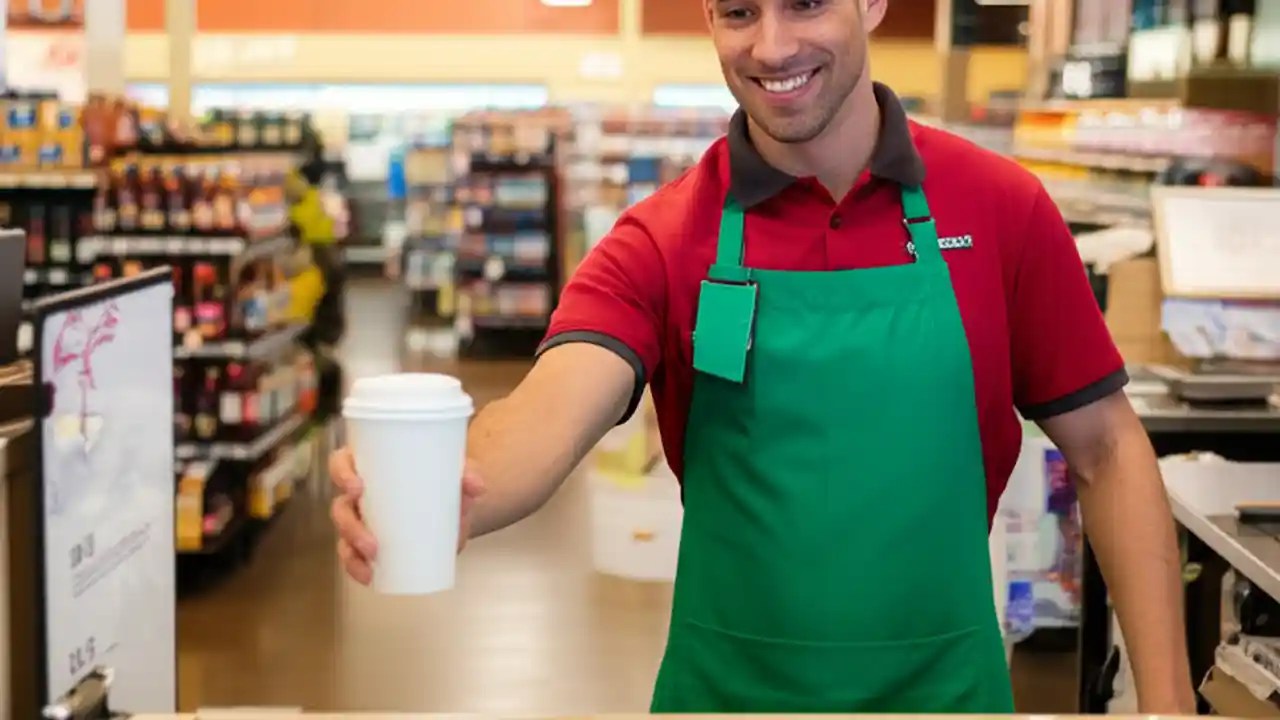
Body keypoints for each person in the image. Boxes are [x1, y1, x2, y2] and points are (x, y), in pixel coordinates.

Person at [331, 0, 1196, 713]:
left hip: (946, 695)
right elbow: (553, 405)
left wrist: (1165, 703)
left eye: (805, 4)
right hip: (727, 697)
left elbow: (1108, 448)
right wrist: (445, 491)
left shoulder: (1000, 208)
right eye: (738, 12)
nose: (772, 46)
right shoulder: (666, 237)